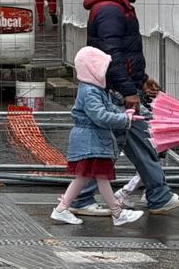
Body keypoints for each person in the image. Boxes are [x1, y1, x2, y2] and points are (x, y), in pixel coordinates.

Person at [70, 0, 179, 216]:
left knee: (133, 144)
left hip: (118, 88)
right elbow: (113, 54)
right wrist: (129, 90)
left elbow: (120, 53)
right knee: (116, 147)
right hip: (118, 91)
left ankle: (157, 195)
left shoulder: (112, 8)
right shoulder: (112, 11)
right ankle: (85, 198)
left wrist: (141, 79)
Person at [52, 46, 144, 226]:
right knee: (101, 176)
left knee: (84, 177)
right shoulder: (91, 91)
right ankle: (117, 213)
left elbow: (108, 109)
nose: (107, 72)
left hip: (91, 140)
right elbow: (100, 116)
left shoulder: (93, 89)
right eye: (104, 68)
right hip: (91, 140)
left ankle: (61, 209)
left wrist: (126, 115)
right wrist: (124, 119)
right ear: (94, 70)